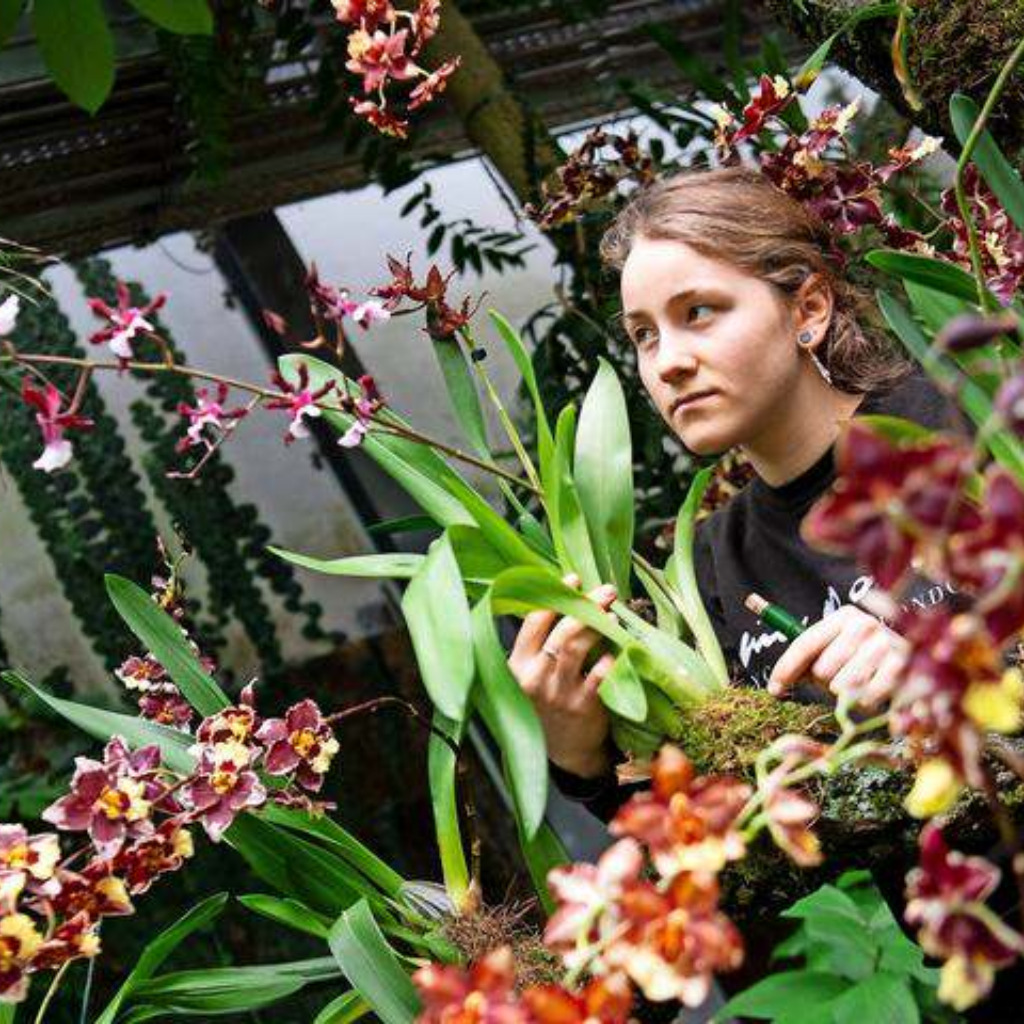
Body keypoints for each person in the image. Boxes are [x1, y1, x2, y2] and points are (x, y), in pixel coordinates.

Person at [507, 166, 963, 814]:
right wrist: (578, 756)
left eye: (699, 313)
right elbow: (727, 842)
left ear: (807, 310)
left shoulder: (965, 424)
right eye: (644, 334)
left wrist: (944, 662)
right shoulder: (709, 573)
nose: (667, 362)